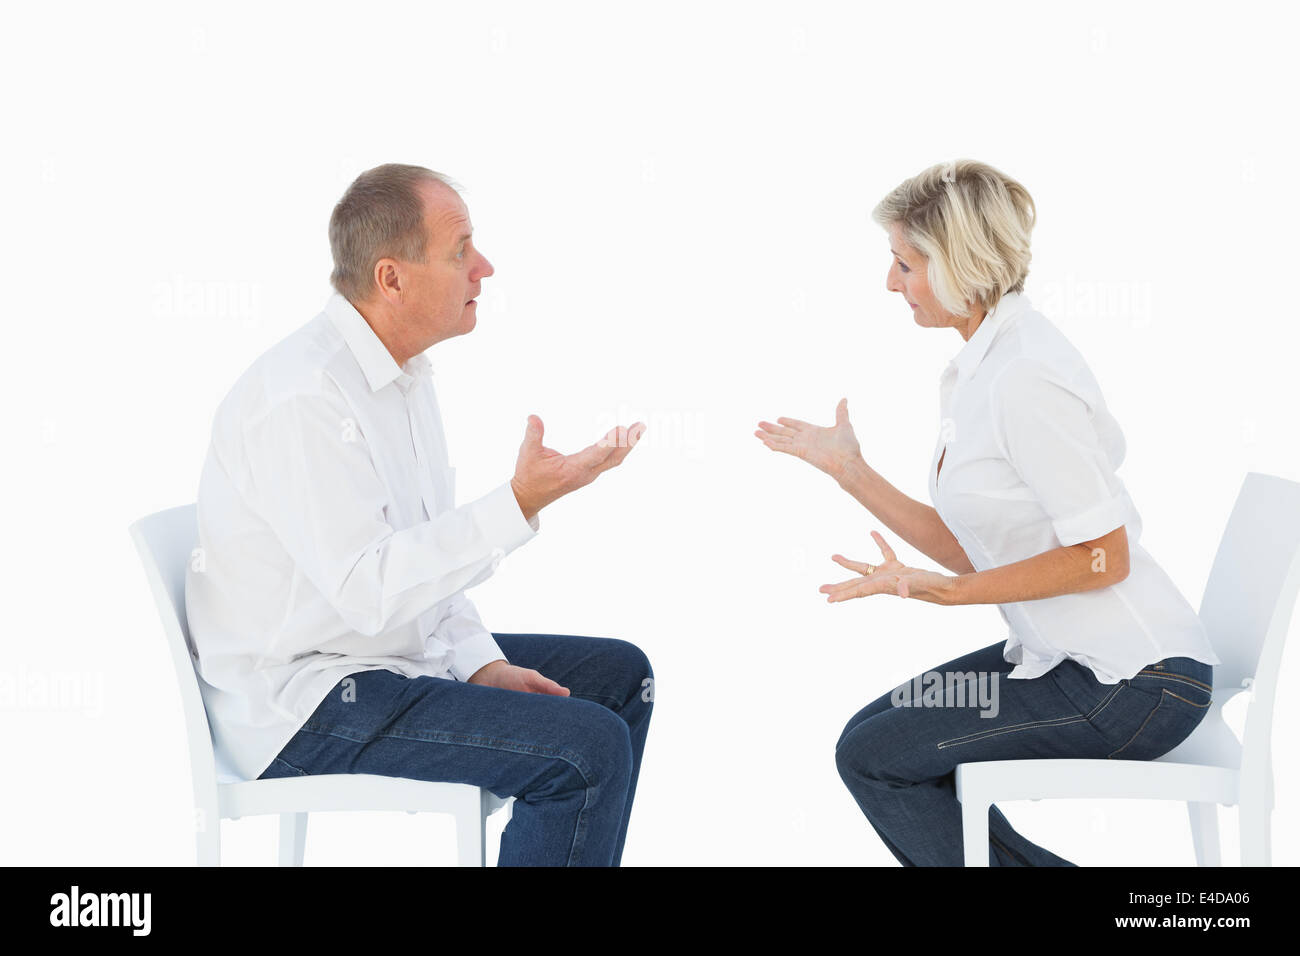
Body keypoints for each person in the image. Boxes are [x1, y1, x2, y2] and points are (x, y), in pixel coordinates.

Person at [754, 159, 1221, 866]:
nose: (890, 283)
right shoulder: (984, 366)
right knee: (872, 741)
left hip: (1136, 684)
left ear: (960, 266)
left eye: (905, 264)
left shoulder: (1024, 378)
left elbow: (1105, 557)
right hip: (1064, 662)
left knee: (879, 758)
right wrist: (852, 472)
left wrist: (953, 595)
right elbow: (971, 547)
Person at [185, 163, 653, 866]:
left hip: (382, 661)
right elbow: (370, 591)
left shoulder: (404, 377)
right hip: (305, 704)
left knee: (619, 679)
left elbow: (424, 561)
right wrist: (518, 504)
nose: (485, 268)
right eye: (460, 250)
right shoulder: (304, 399)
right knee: (583, 750)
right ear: (391, 278)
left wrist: (481, 662)